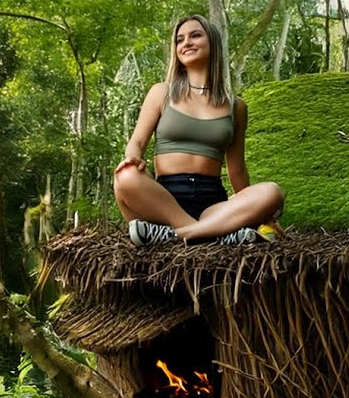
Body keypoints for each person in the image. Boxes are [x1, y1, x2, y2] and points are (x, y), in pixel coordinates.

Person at [113, 14, 284, 246]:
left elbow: (237, 171)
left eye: (195, 35)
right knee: (125, 177)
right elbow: (137, 143)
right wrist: (133, 159)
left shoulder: (237, 107)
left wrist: (257, 209)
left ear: (212, 43)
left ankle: (178, 234)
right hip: (163, 201)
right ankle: (215, 235)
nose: (186, 43)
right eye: (180, 39)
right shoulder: (161, 93)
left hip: (211, 205)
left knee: (272, 192)